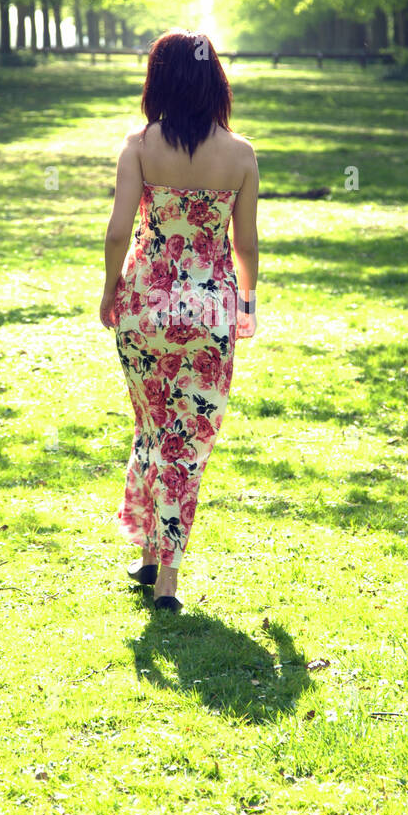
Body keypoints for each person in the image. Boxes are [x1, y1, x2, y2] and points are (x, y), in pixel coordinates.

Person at [100, 30, 259, 612]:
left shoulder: (139, 145)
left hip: (146, 305)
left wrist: (109, 289)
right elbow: (246, 244)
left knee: (151, 425)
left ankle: (149, 554)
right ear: (214, 78)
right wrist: (247, 303)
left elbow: (119, 230)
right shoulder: (240, 154)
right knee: (186, 440)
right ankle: (164, 576)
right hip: (210, 309)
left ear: (158, 80)